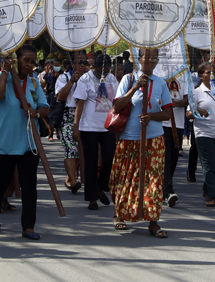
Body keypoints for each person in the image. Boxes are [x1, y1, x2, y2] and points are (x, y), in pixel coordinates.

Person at [0, 44, 50, 240]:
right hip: (3, 142)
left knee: (29, 185)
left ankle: (28, 227)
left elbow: (44, 106)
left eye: (33, 62)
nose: (30, 65)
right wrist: (5, 71)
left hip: (28, 143)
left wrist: (36, 113)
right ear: (16, 60)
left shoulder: (33, 83)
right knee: (2, 182)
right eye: (26, 61)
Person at [110, 48, 173, 237]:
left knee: (153, 181)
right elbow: (117, 106)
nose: (150, 61)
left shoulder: (161, 83)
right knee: (125, 178)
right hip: (129, 139)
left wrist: (151, 116)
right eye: (147, 58)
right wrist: (136, 87)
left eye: (154, 58)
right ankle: (119, 214)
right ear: (139, 59)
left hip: (154, 140)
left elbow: (167, 113)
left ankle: (153, 222)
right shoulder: (128, 79)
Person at [72, 54, 118, 210]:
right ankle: (92, 198)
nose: (102, 73)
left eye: (106, 70)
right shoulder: (85, 79)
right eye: (99, 70)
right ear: (94, 67)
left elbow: (116, 101)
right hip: (89, 126)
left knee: (110, 159)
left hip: (108, 126)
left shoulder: (112, 79)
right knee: (90, 162)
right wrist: (76, 126)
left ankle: (100, 186)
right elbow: (80, 103)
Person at [192, 62, 215, 206]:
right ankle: (212, 196)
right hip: (204, 132)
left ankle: (207, 189)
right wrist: (198, 111)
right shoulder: (196, 92)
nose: (212, 75)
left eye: (214, 72)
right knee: (209, 165)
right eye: (208, 72)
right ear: (201, 76)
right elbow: (189, 113)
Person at [55, 56, 88, 193]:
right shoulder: (63, 77)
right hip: (68, 115)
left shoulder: (89, 78)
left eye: (84, 63)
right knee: (70, 148)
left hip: (85, 115)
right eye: (78, 63)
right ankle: (73, 181)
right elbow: (60, 97)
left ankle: (70, 178)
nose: (81, 66)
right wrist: (71, 81)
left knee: (80, 150)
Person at [162, 78, 188, 207]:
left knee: (173, 157)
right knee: (165, 157)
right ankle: (167, 191)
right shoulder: (159, 75)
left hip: (177, 123)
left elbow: (187, 99)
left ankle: (164, 186)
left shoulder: (184, 75)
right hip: (161, 122)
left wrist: (174, 104)